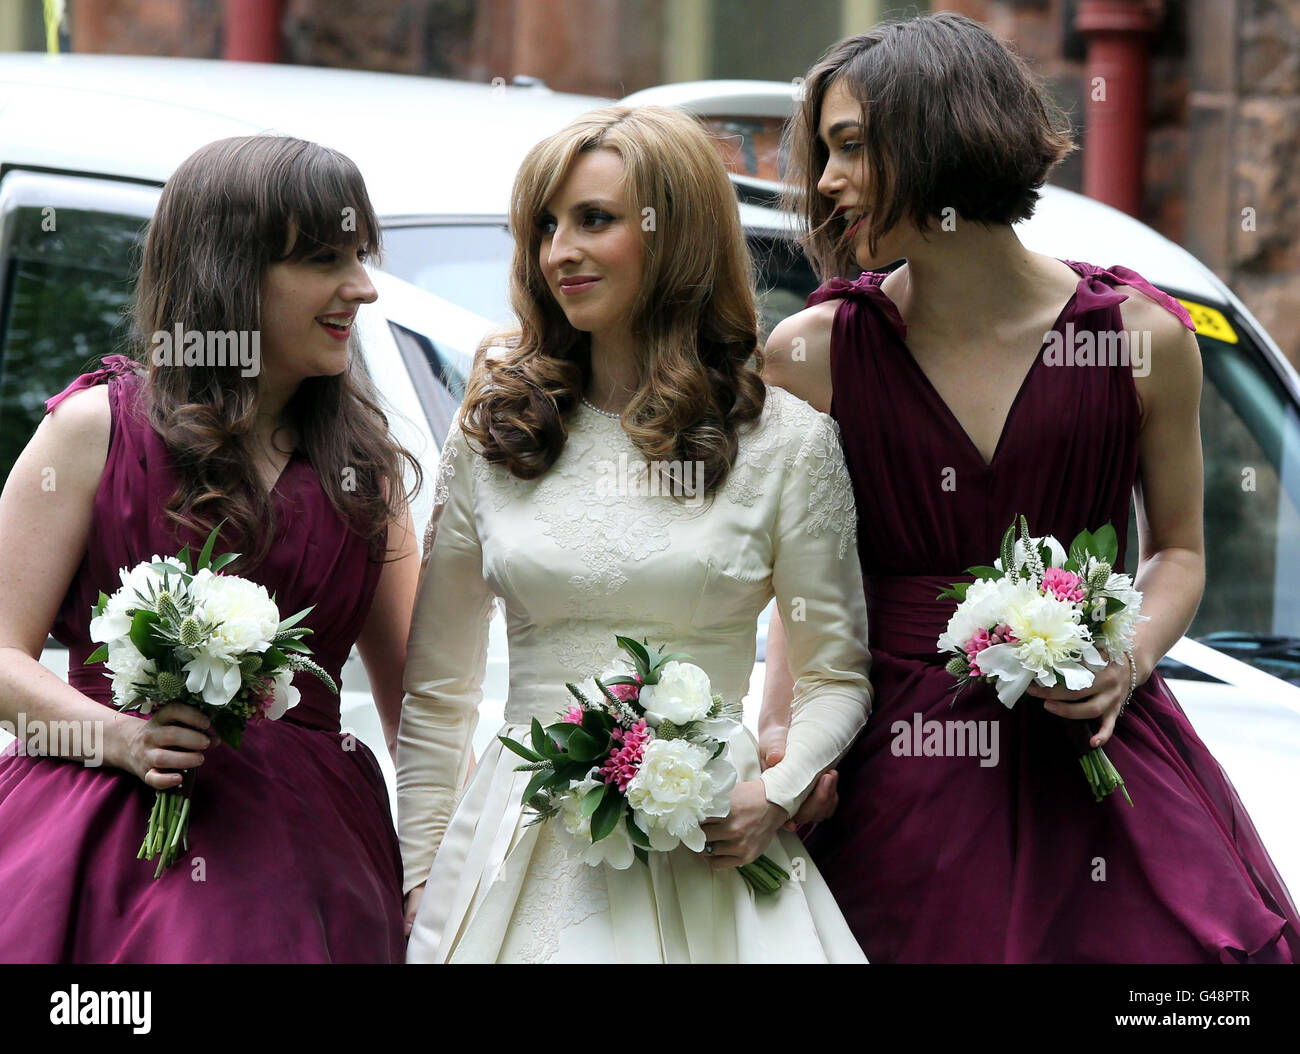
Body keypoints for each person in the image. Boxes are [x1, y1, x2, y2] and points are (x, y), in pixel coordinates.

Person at [758, 12, 1300, 963]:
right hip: (887, 768)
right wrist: (784, 747)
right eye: (825, 153)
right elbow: (800, 587)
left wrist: (1123, 658)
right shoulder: (813, 355)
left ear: (939, 135)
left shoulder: (1142, 338)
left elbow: (1178, 552)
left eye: (849, 148)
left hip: (1090, 751)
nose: (826, 182)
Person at [398, 105, 871, 963]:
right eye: (545, 226)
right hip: (515, 850)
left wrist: (779, 792)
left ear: (677, 235)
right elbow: (438, 694)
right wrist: (421, 876)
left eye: (595, 221)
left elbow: (837, 675)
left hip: (714, 850)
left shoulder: (789, 444)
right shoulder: (495, 433)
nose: (559, 252)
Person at [0, 135, 420, 963]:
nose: (361, 288)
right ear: (230, 271)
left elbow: (424, 707)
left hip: (315, 855)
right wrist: (116, 737)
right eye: (326, 260)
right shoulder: (94, 430)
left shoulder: (366, 473)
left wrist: (441, 868)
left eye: (361, 257)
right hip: (98, 837)